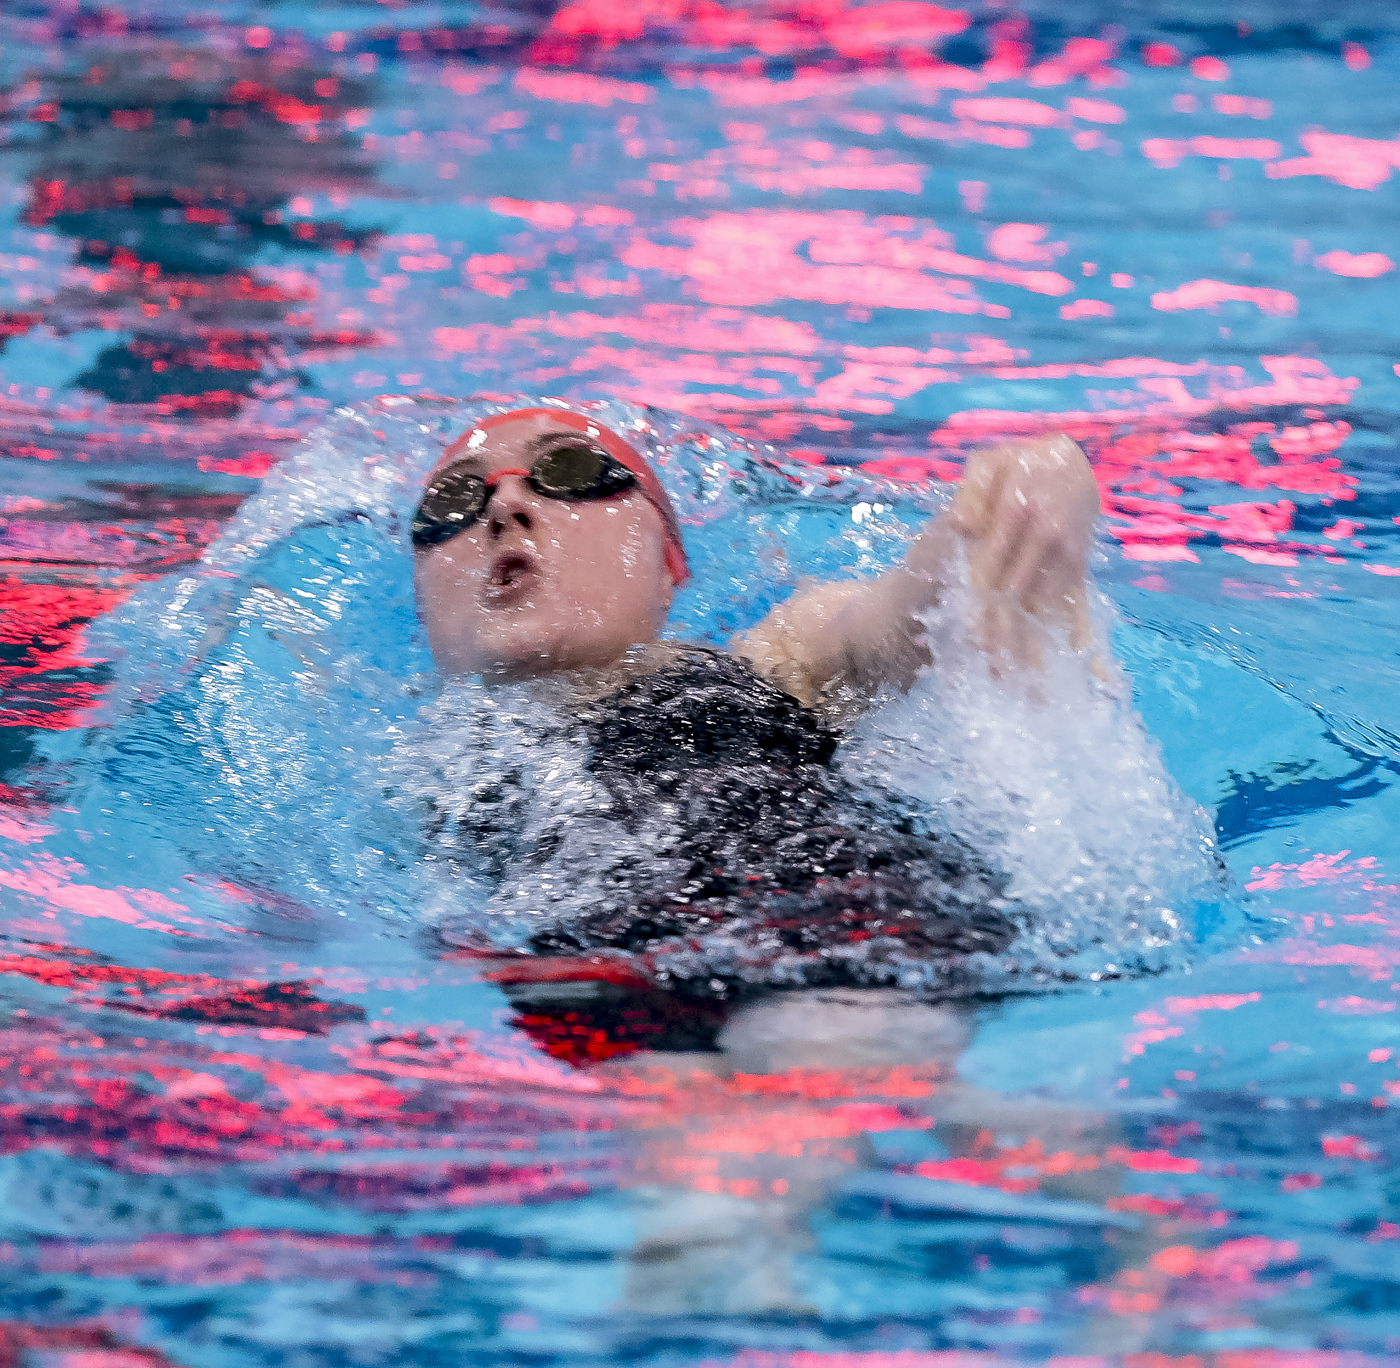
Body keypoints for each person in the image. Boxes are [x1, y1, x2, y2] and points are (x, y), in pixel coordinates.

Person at [408, 404, 1105, 1061]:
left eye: (571, 471)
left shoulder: (781, 655)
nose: (503, 506)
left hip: (831, 933)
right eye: (451, 504)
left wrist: (1034, 488)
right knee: (686, 1133)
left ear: (669, 566)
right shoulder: (420, 764)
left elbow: (913, 610)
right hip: (583, 975)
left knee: (833, 1069)